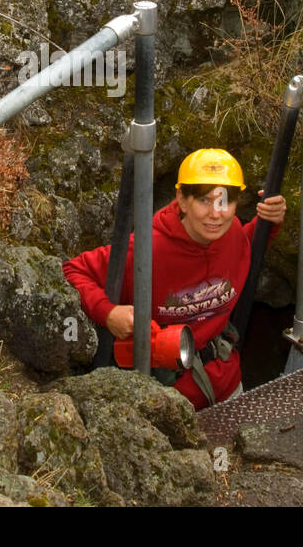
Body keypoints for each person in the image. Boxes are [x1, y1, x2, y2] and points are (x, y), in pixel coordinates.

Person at [63, 148, 286, 409]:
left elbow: (245, 248)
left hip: (228, 385)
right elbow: (73, 270)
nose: (216, 214)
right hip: (166, 403)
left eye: (225, 201)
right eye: (204, 200)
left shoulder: (234, 233)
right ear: (182, 199)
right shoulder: (147, 249)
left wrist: (269, 221)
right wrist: (109, 313)